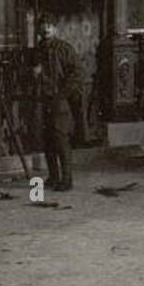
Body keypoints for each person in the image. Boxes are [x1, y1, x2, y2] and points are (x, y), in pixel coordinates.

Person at [32, 15, 83, 191]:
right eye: (43, 25)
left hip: (59, 101)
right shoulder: (38, 51)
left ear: (55, 28)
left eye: (50, 25)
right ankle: (53, 177)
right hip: (43, 100)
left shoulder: (64, 49)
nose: (46, 28)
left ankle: (67, 179)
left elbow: (77, 74)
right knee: (47, 141)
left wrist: (62, 94)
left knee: (61, 139)